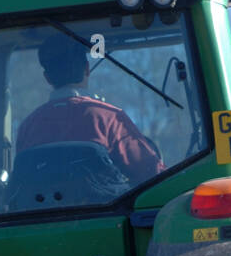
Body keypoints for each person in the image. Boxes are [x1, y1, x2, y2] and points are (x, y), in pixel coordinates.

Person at [16, 33, 163, 184]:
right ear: (87, 68)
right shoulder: (109, 118)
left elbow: (21, 183)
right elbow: (153, 175)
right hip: (107, 207)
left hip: (44, 208)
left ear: (47, 77)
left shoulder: (27, 127)